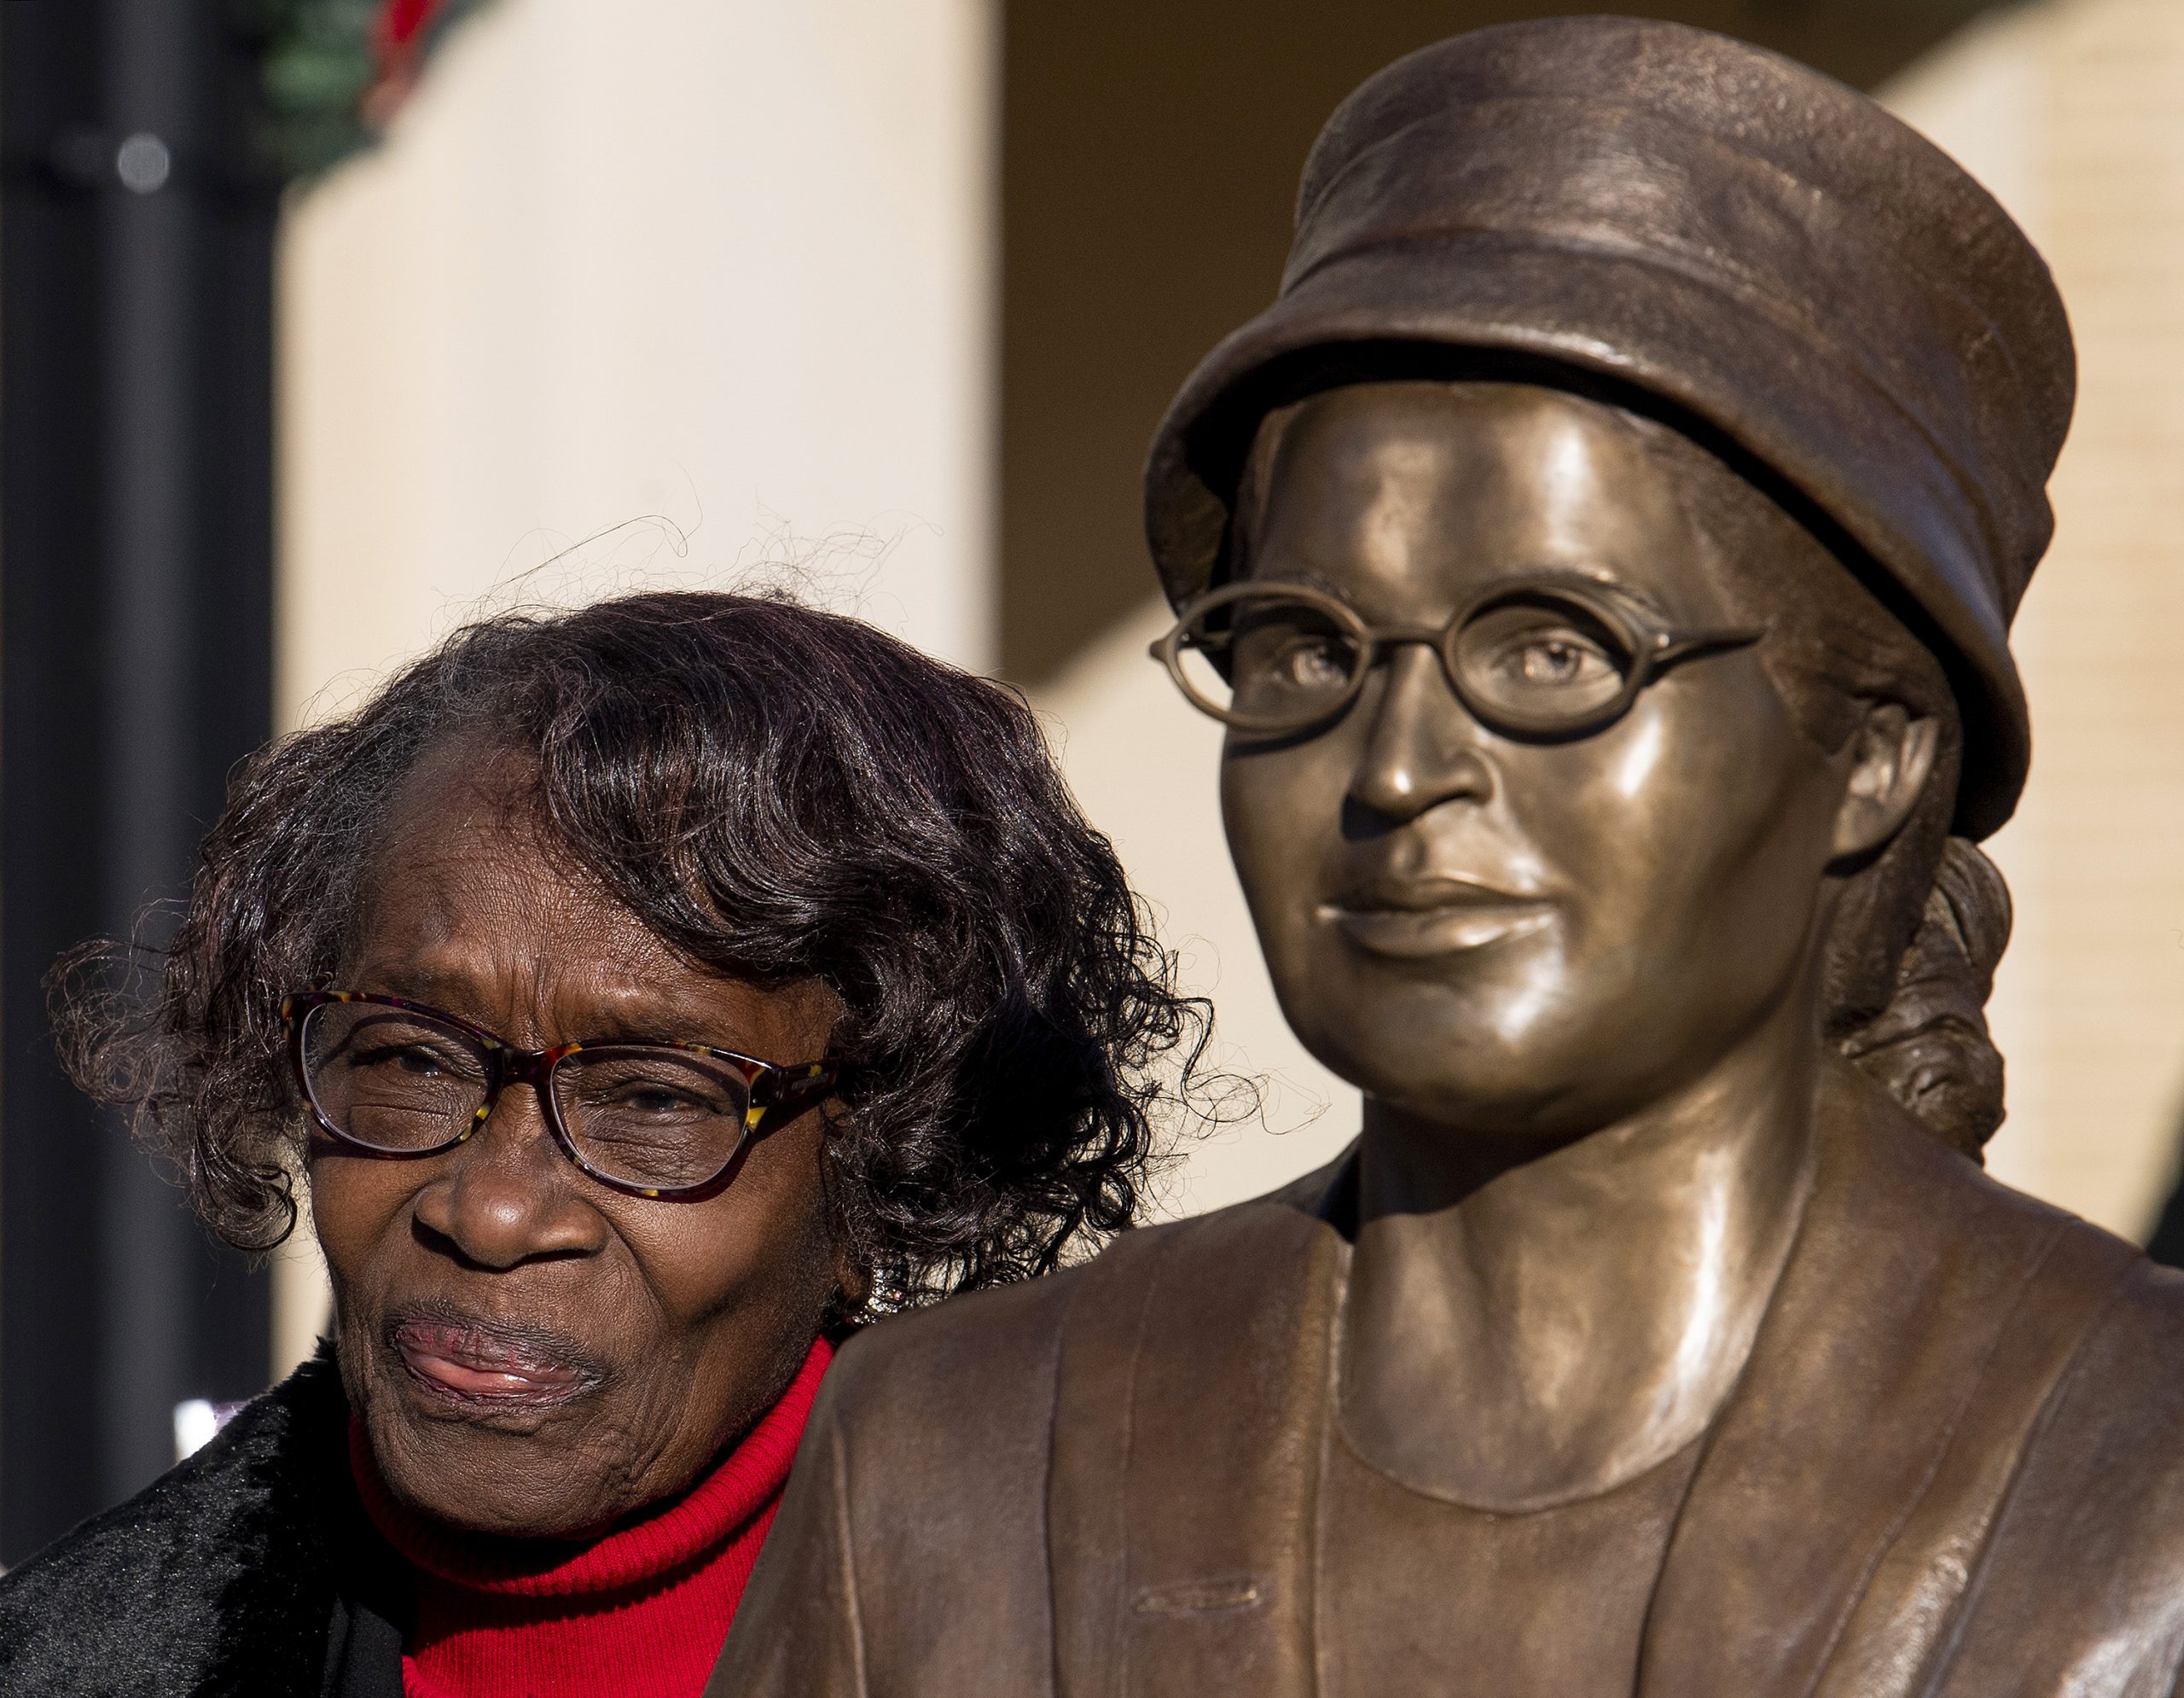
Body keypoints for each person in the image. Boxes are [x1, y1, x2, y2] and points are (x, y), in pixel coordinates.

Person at [712, 19, 2184, 1696]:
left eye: (1550, 647)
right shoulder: (938, 1465)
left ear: (1871, 754)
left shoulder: (2138, 1484)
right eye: (1300, 650)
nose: (1396, 766)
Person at [0, 590, 1205, 1697]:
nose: (493, 1210)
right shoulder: (80, 1660)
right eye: (412, 1060)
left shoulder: (1139, 1643)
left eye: (653, 1099)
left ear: (888, 1175)